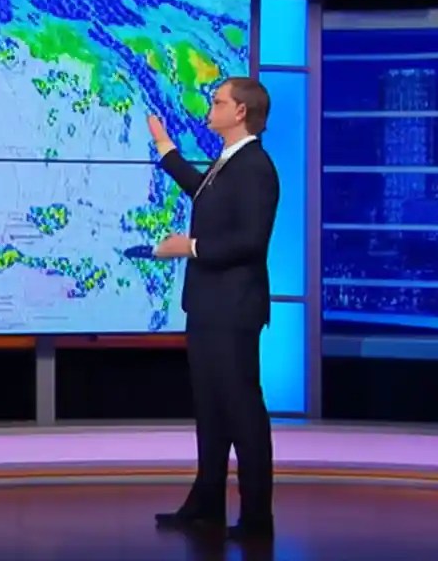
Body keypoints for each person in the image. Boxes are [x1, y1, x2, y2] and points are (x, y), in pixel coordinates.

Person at [148, 76, 279, 542]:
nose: (211, 107)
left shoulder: (255, 168)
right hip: (207, 307)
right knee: (211, 410)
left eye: (218, 101)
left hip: (233, 310)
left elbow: (250, 240)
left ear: (241, 112)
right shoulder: (229, 163)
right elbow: (200, 190)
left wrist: (191, 246)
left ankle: (257, 518)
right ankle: (205, 505)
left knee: (242, 412)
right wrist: (165, 148)